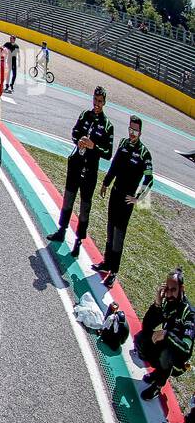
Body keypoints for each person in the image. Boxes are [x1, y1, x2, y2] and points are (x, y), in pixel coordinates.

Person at [47, 86, 114, 257]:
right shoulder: (85, 115)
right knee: (68, 198)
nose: (97, 104)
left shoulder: (107, 126)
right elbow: (74, 132)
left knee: (85, 207)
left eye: (100, 101)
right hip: (76, 163)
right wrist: (78, 141)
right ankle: (61, 230)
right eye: (95, 100)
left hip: (90, 171)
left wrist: (94, 146)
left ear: (104, 102)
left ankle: (78, 241)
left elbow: (108, 153)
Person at [93, 116, 154, 288]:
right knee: (110, 230)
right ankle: (106, 263)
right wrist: (105, 183)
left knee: (119, 235)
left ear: (140, 132)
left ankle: (114, 272)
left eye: (135, 131)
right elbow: (114, 166)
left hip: (127, 200)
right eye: (130, 129)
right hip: (115, 193)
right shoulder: (123, 144)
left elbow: (149, 179)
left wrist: (138, 198)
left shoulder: (144, 153)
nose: (132, 133)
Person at [135, 270, 193, 402]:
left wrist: (167, 335)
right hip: (166, 344)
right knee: (141, 339)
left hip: (179, 358)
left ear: (182, 289)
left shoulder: (189, 314)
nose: (170, 293)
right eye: (167, 289)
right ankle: (157, 373)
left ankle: (158, 385)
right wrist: (157, 304)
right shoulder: (167, 302)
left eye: (174, 290)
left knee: (166, 355)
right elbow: (147, 326)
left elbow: (186, 350)